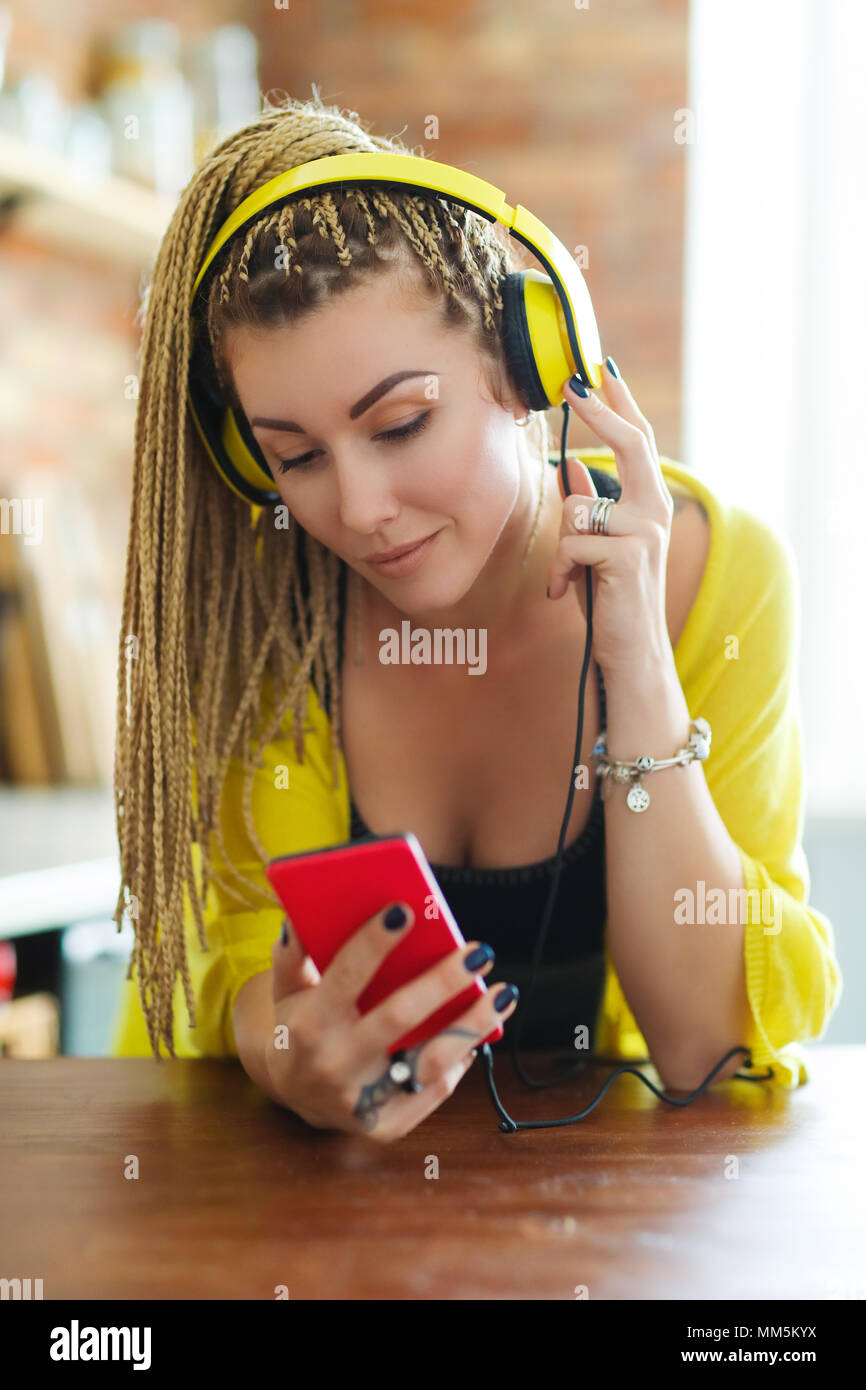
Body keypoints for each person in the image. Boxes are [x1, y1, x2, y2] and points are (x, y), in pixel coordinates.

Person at [109, 92, 842, 1143]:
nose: (357, 510)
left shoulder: (716, 577)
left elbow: (701, 1050)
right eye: (297, 457)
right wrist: (293, 1060)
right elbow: (244, 967)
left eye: (400, 423)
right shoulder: (265, 613)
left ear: (527, 362)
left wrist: (636, 668)